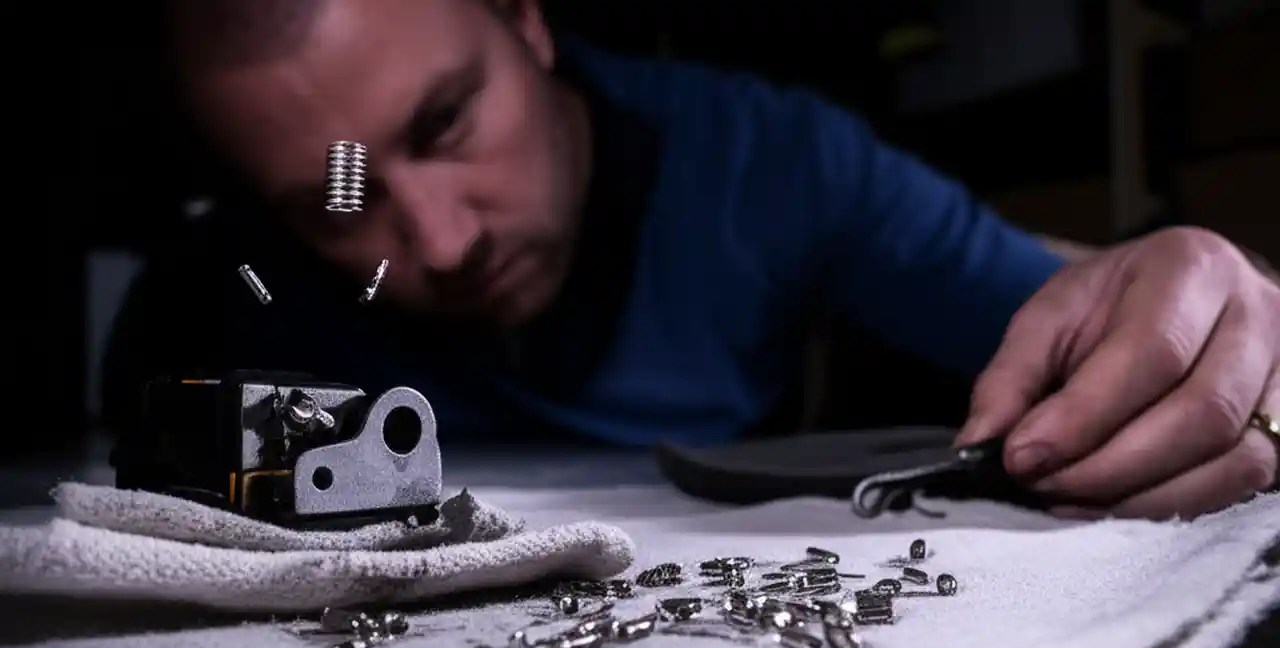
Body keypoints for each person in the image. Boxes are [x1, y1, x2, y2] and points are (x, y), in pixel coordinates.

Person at [105, 0, 1279, 521]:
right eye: (339, 202)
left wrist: (1219, 307)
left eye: (448, 121)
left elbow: (1072, 313)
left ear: (525, 22)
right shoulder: (223, 296)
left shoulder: (774, 163)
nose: (442, 245)